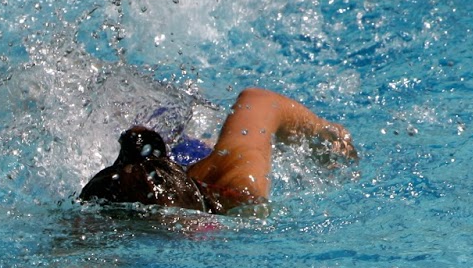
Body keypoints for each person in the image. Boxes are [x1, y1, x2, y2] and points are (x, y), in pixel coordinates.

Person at [79, 87, 356, 213]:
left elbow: (260, 100)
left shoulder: (235, 183)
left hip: (178, 131)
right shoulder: (102, 198)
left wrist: (324, 133)